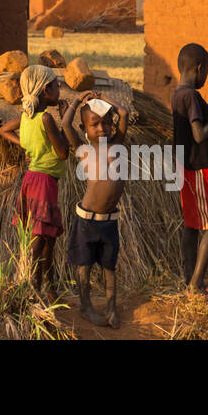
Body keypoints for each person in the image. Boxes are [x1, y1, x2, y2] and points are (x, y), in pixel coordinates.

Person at [0, 65, 70, 293]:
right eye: (57, 85)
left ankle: (47, 287)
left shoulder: (26, 118)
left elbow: (4, 130)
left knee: (47, 237)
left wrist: (27, 145)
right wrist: (66, 120)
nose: (59, 89)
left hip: (33, 179)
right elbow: (63, 152)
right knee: (41, 236)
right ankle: (33, 283)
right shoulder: (46, 118)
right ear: (46, 90)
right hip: (44, 182)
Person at [60, 92, 129, 328]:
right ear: (84, 128)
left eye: (106, 123)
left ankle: (111, 306)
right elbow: (65, 124)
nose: (102, 128)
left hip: (110, 220)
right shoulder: (83, 150)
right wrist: (78, 101)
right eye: (95, 124)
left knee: (110, 266)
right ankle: (86, 306)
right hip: (87, 221)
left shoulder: (117, 144)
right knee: (85, 266)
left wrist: (107, 101)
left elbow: (124, 113)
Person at [170, 44, 208, 294]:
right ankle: (196, 283)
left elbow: (197, 116)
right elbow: (199, 134)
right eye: (206, 71)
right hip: (200, 170)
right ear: (199, 68)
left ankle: (189, 278)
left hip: (185, 169)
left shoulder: (179, 93)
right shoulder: (192, 97)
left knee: (192, 226)